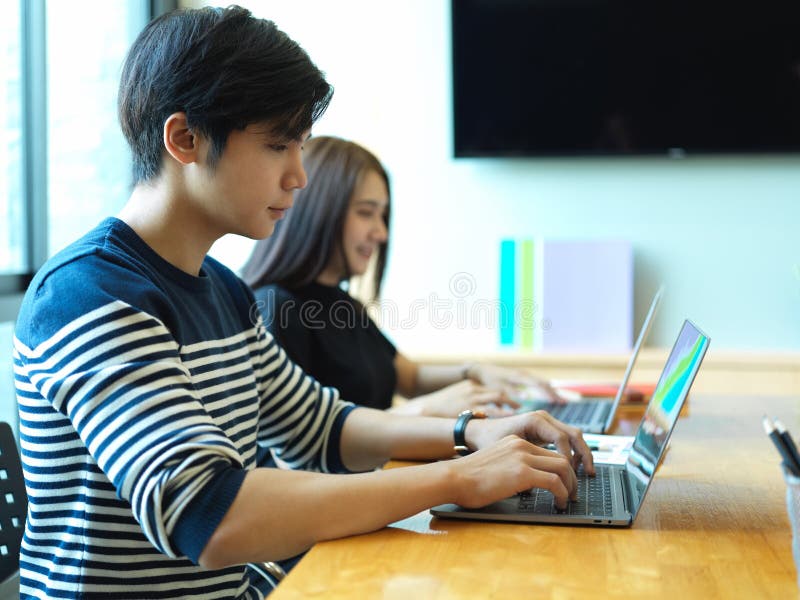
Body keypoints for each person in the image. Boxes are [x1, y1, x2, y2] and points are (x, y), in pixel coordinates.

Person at [12, 6, 593, 599]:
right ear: (185, 139)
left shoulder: (223, 289)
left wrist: (470, 434)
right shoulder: (90, 295)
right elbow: (209, 514)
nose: (299, 176)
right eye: (277, 145)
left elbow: (322, 427)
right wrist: (455, 479)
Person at [241, 136, 562, 418]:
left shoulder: (342, 304)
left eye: (382, 216)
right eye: (366, 213)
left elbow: (407, 377)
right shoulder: (276, 309)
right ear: (318, 211)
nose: (381, 233)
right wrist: (424, 410)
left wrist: (476, 372)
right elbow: (300, 447)